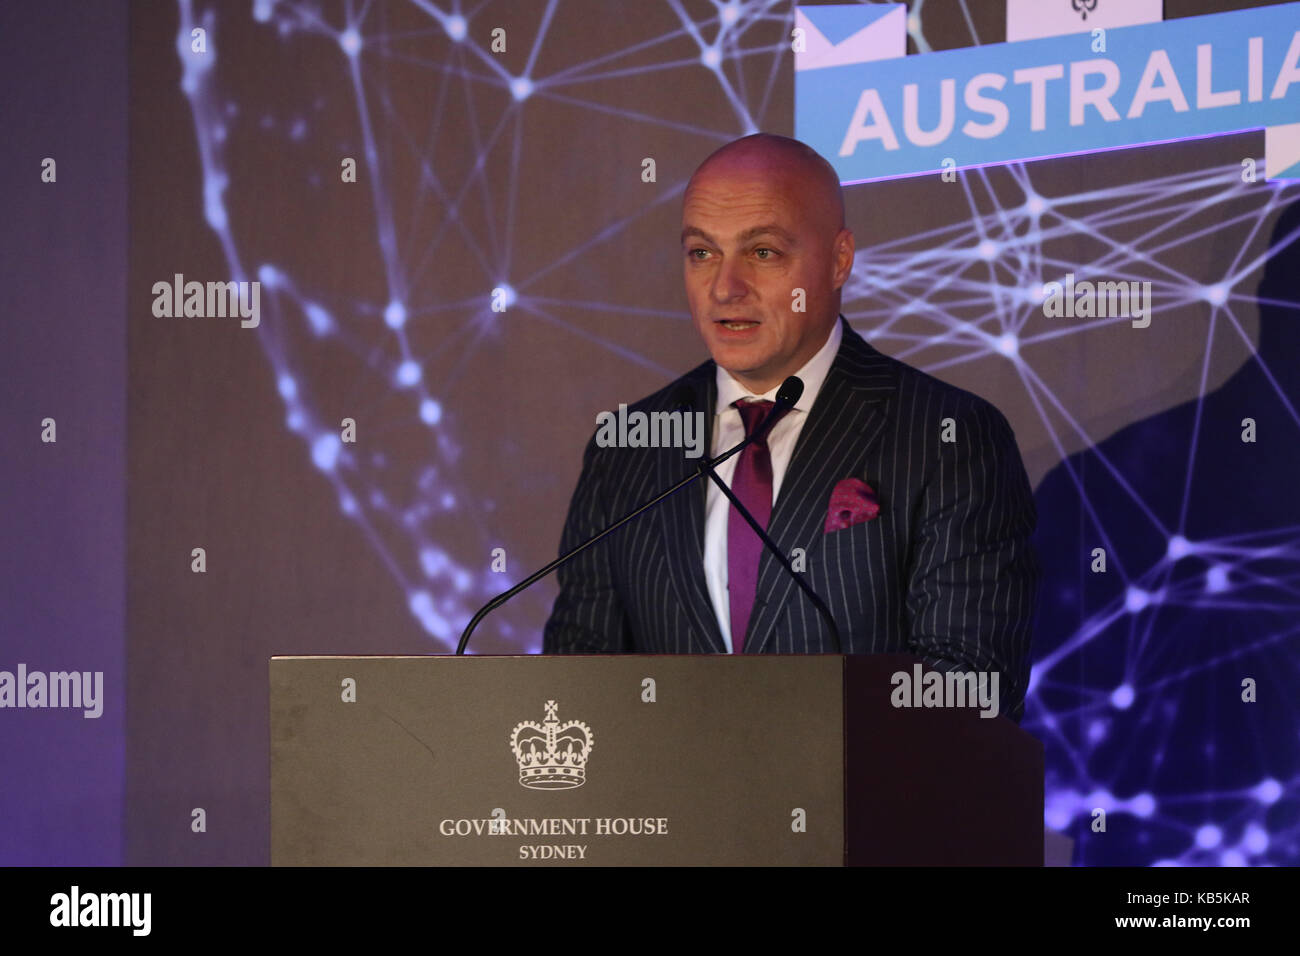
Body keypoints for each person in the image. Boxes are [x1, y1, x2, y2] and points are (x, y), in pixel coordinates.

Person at [542, 133, 1039, 720]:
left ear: (838, 261)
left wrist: (792, 769)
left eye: (763, 252)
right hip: (670, 811)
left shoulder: (948, 437)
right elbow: (578, 680)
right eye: (702, 253)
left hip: (862, 808)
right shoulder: (627, 447)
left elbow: (969, 688)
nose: (725, 287)